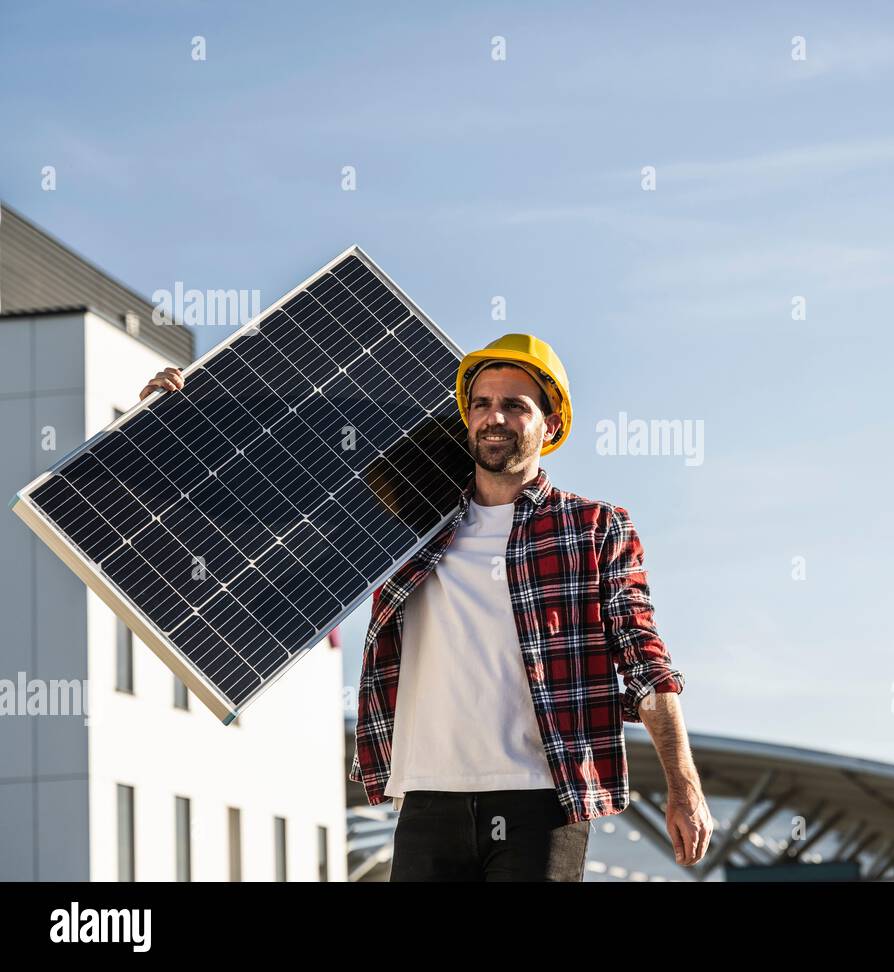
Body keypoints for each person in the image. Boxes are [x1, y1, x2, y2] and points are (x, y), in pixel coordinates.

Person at [138, 333, 711, 882]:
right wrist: (184, 423)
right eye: (482, 404)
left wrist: (684, 784)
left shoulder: (592, 528)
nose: (494, 417)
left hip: (541, 797)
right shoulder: (409, 523)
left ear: (551, 423)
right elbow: (276, 492)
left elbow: (645, 660)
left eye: (515, 406)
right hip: (428, 796)